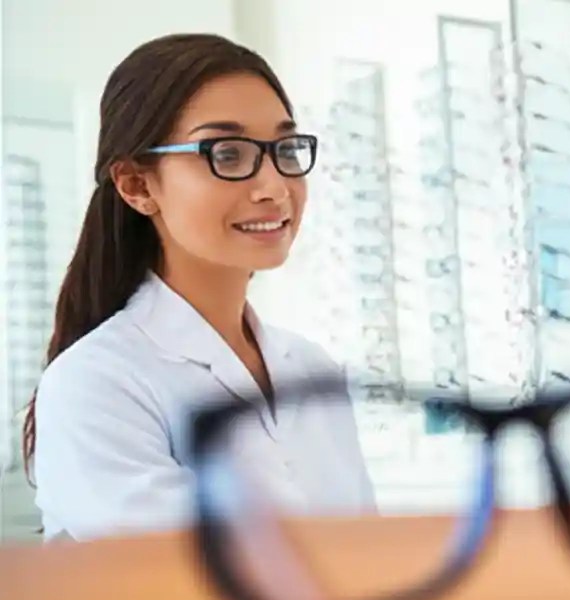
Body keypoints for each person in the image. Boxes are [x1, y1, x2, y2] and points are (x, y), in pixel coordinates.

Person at [23, 34, 375, 541]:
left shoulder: (312, 367)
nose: (274, 187)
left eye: (285, 149)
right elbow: (185, 584)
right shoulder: (95, 383)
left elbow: (371, 554)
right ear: (137, 185)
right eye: (227, 154)